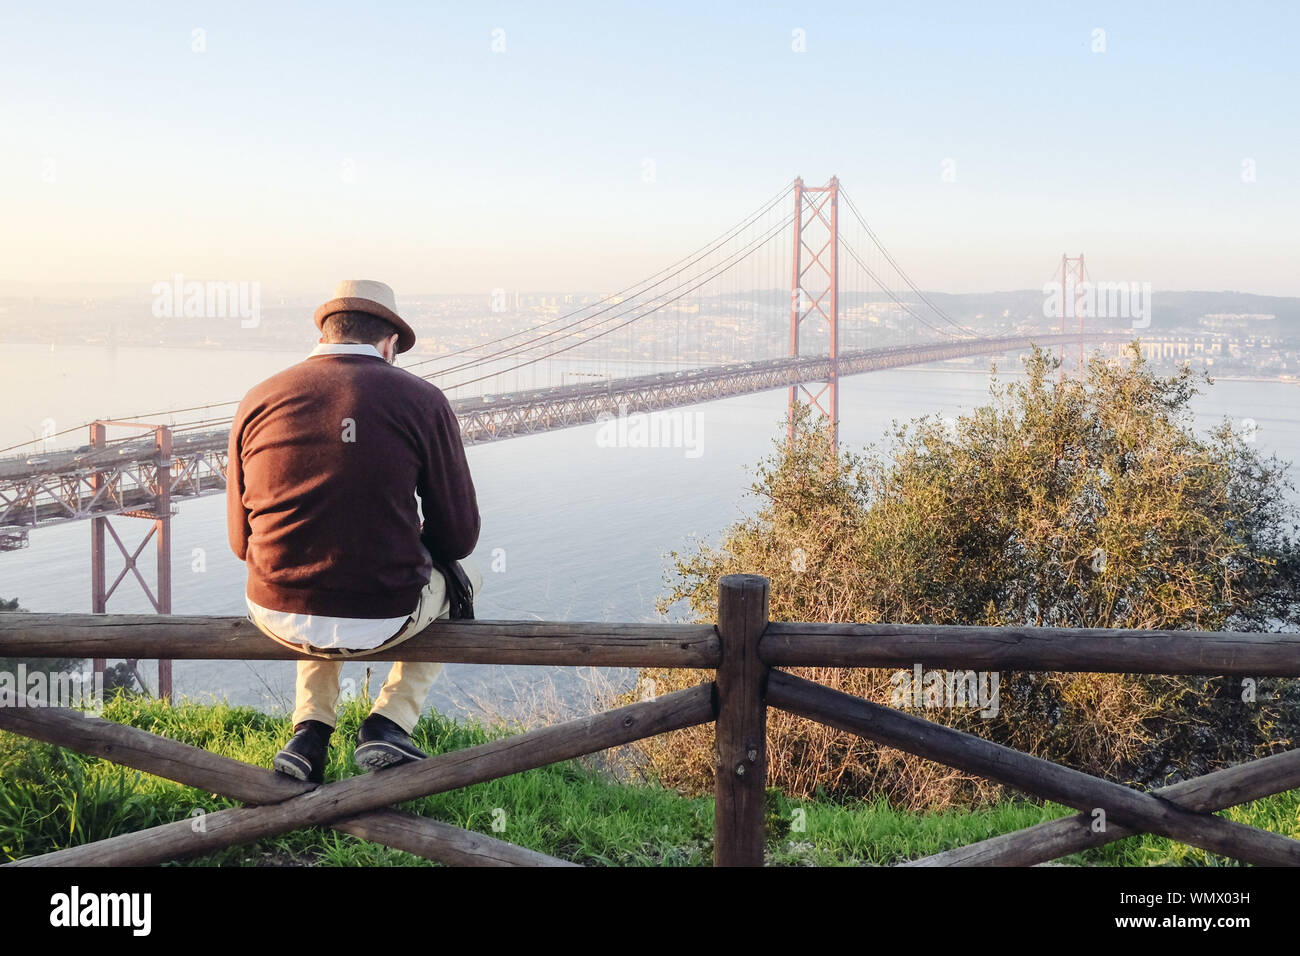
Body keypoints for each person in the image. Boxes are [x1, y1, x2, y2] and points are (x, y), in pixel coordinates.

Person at [226, 279, 481, 784]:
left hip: (274, 609)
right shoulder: (423, 400)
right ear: (389, 343)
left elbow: (241, 543)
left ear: (326, 333)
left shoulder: (258, 398)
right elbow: (458, 539)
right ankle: (390, 723)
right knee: (460, 579)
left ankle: (310, 732)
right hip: (383, 616)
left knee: (312, 556)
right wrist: (403, 536)